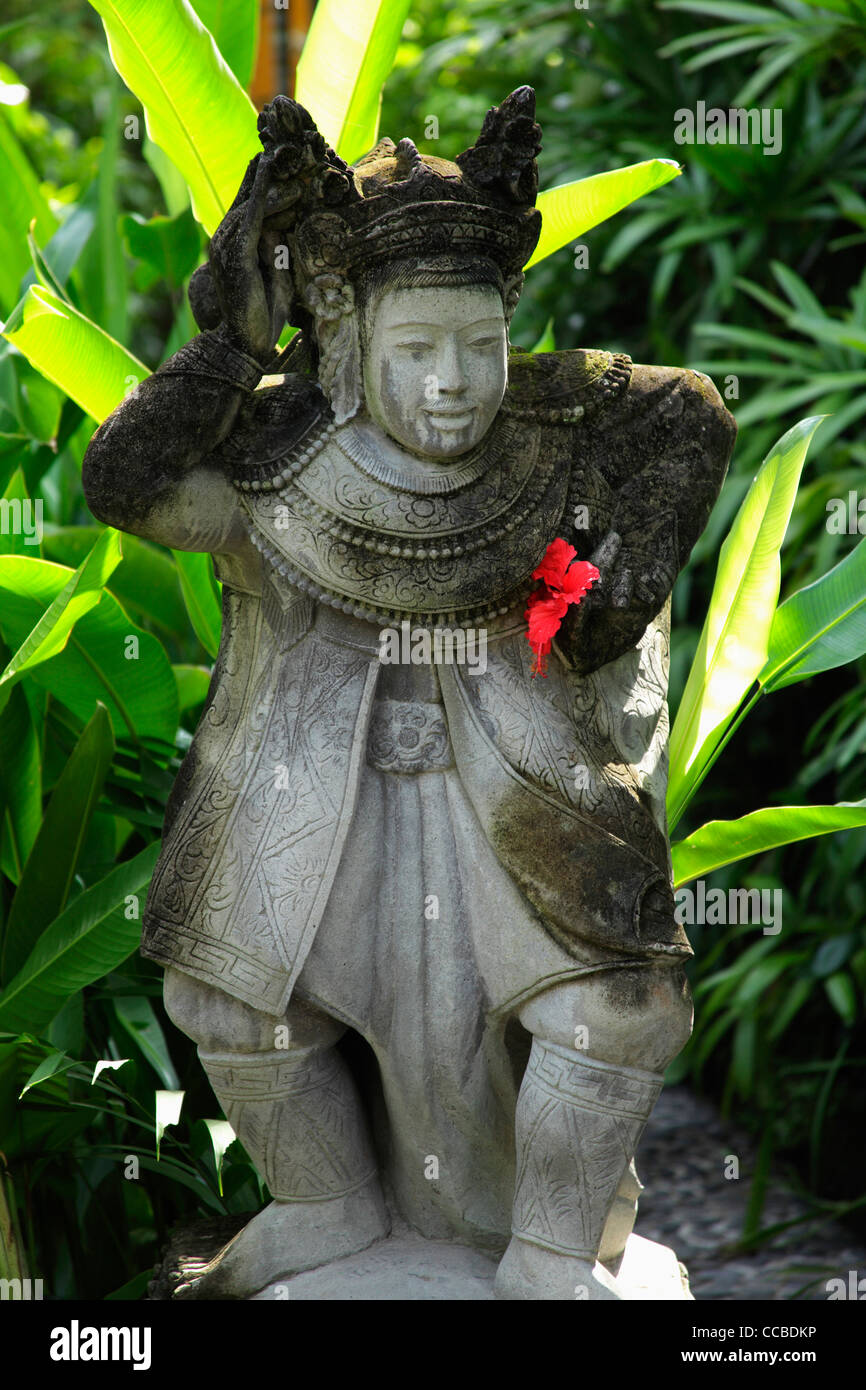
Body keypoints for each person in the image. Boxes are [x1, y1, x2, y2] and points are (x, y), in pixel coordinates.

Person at [82, 89, 736, 1299]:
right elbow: (121, 478)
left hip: (517, 793)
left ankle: (548, 1247)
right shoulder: (279, 459)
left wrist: (620, 589)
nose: (453, 385)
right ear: (345, 341)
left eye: (478, 348)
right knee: (228, 999)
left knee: (617, 1009)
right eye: (414, 353)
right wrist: (233, 344)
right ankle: (325, 1202)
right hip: (324, 807)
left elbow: (691, 410)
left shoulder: (550, 433)